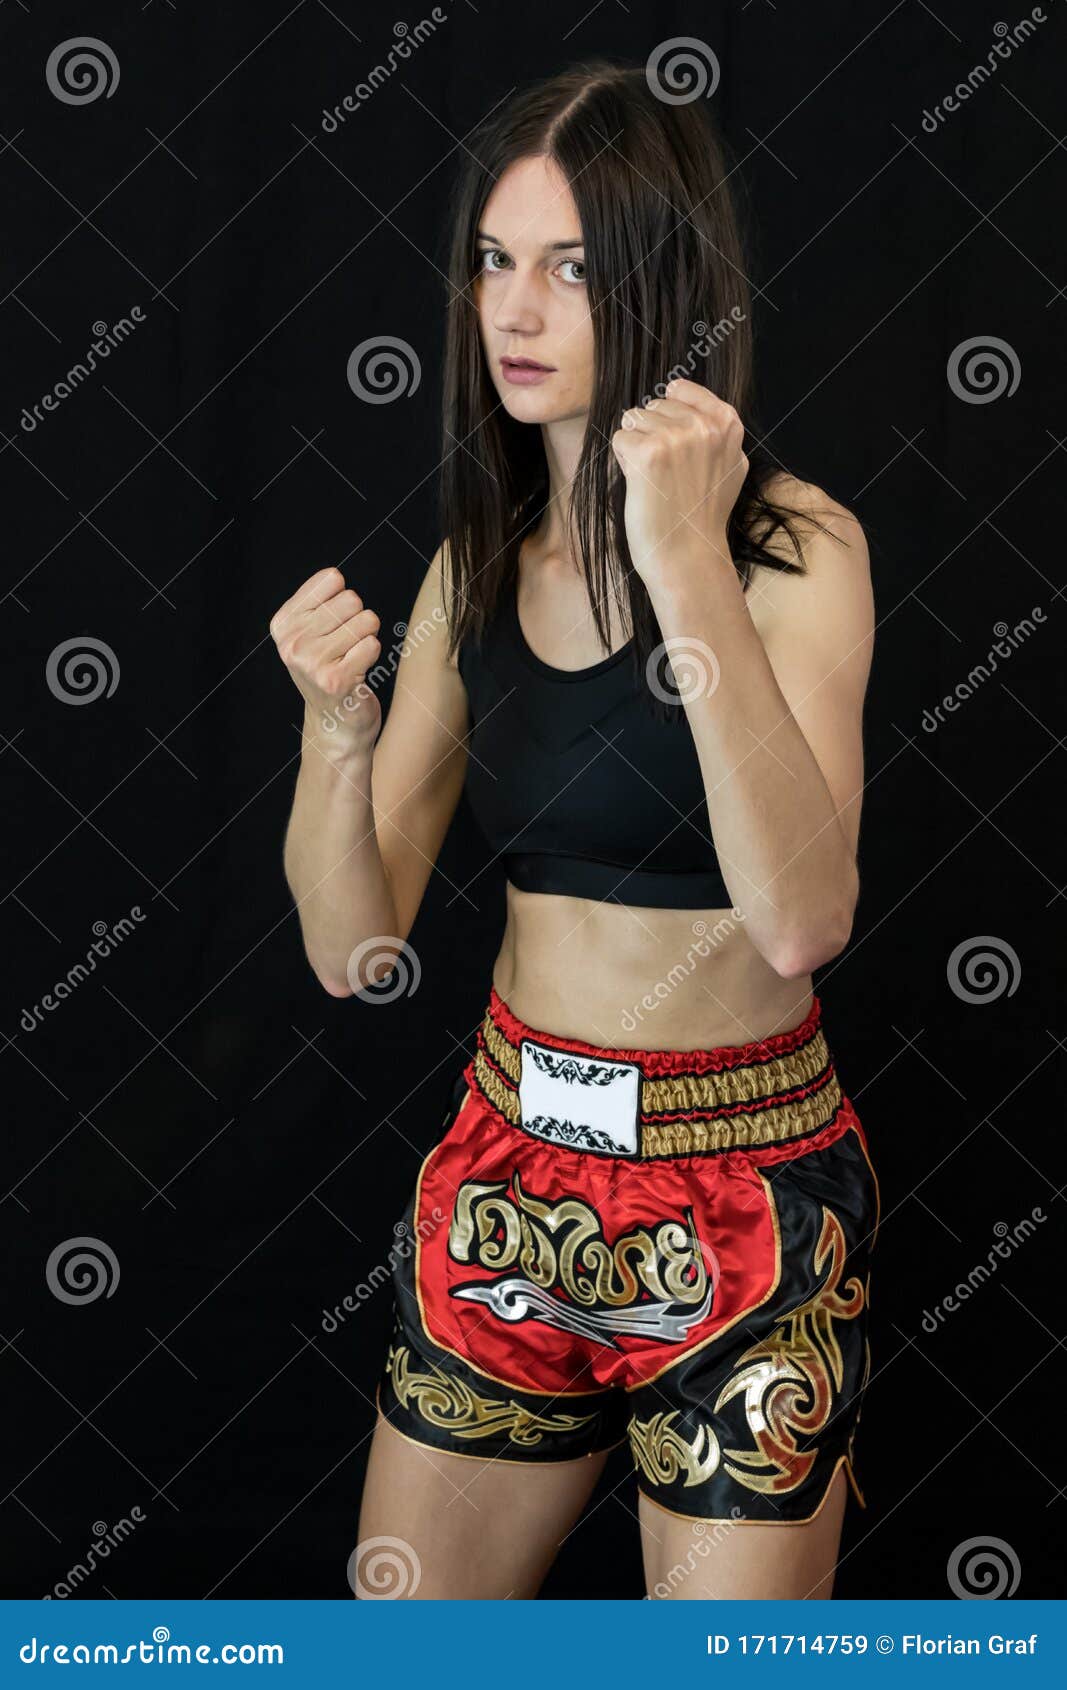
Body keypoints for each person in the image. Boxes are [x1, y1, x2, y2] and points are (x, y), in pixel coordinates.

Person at [272, 59, 879, 1601]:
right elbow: (355, 948)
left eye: (570, 269)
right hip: (513, 1177)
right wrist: (332, 737)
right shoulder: (471, 567)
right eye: (493, 261)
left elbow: (804, 917)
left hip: (746, 1202)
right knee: (410, 1635)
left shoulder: (796, 552)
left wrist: (681, 559)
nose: (514, 310)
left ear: (662, 290)